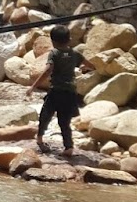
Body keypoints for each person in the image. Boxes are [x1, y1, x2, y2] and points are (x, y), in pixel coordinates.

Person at [28, 24, 96, 157]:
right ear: (69, 39)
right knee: (64, 121)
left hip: (55, 92)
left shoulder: (54, 53)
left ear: (52, 41)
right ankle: (68, 147)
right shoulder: (75, 53)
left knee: (45, 115)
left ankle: (40, 138)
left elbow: (48, 70)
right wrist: (86, 68)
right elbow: (90, 65)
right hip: (70, 93)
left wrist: (33, 86)